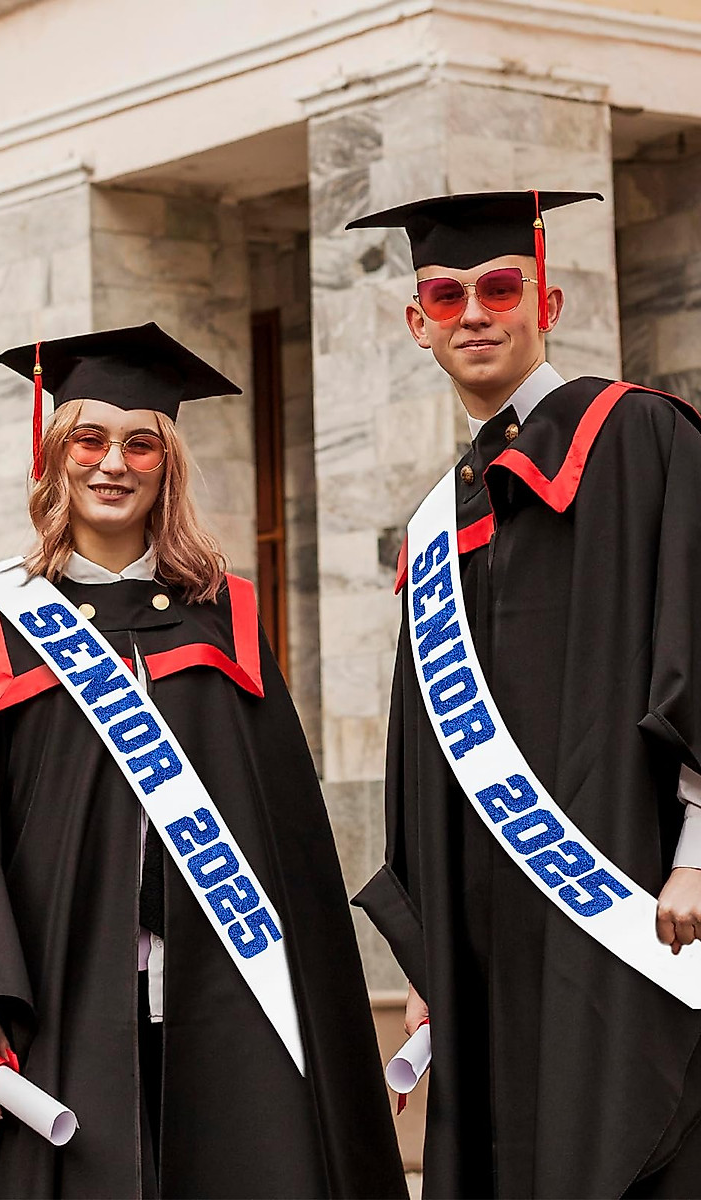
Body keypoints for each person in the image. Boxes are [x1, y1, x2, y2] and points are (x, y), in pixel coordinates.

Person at [0, 322, 406, 1199]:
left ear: (167, 466)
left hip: (223, 992)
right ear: (57, 455)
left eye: (140, 444)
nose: (113, 464)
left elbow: (283, 832)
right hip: (53, 989)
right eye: (90, 440)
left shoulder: (226, 620)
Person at [347, 190, 701, 1198]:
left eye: (500, 288)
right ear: (417, 324)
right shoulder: (440, 519)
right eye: (446, 296)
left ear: (546, 301)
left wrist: (697, 854)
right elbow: (423, 750)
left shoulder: (639, 438)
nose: (474, 313)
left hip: (640, 903)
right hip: (488, 945)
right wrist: (432, 957)